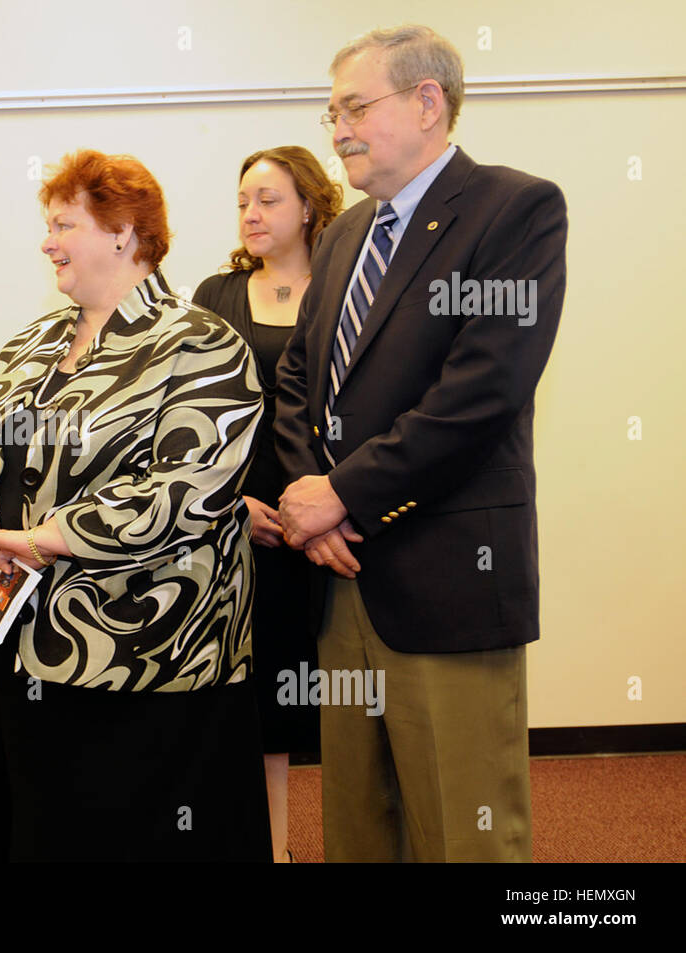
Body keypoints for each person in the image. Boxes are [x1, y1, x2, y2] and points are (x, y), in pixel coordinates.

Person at [274, 25, 567, 861]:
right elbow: (299, 381)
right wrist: (309, 500)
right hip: (340, 582)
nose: (337, 131)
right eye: (331, 112)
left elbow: (483, 391)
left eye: (355, 108)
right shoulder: (340, 236)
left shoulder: (516, 209)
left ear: (428, 102)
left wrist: (344, 492)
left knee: (461, 830)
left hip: (449, 583)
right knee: (359, 827)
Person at [0, 150, 268, 861]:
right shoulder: (31, 343)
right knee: (55, 824)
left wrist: (46, 537)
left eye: (64, 223)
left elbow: (189, 488)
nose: (47, 240)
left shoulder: (201, 343)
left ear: (123, 231)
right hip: (31, 637)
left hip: (152, 649)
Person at [194, 146, 342, 863]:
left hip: (332, 516)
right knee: (255, 697)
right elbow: (186, 416)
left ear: (310, 207)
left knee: (337, 693)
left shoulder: (347, 287)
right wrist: (230, 503)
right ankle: (274, 849)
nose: (251, 213)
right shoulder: (216, 294)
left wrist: (334, 504)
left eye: (269, 199)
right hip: (241, 521)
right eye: (243, 200)